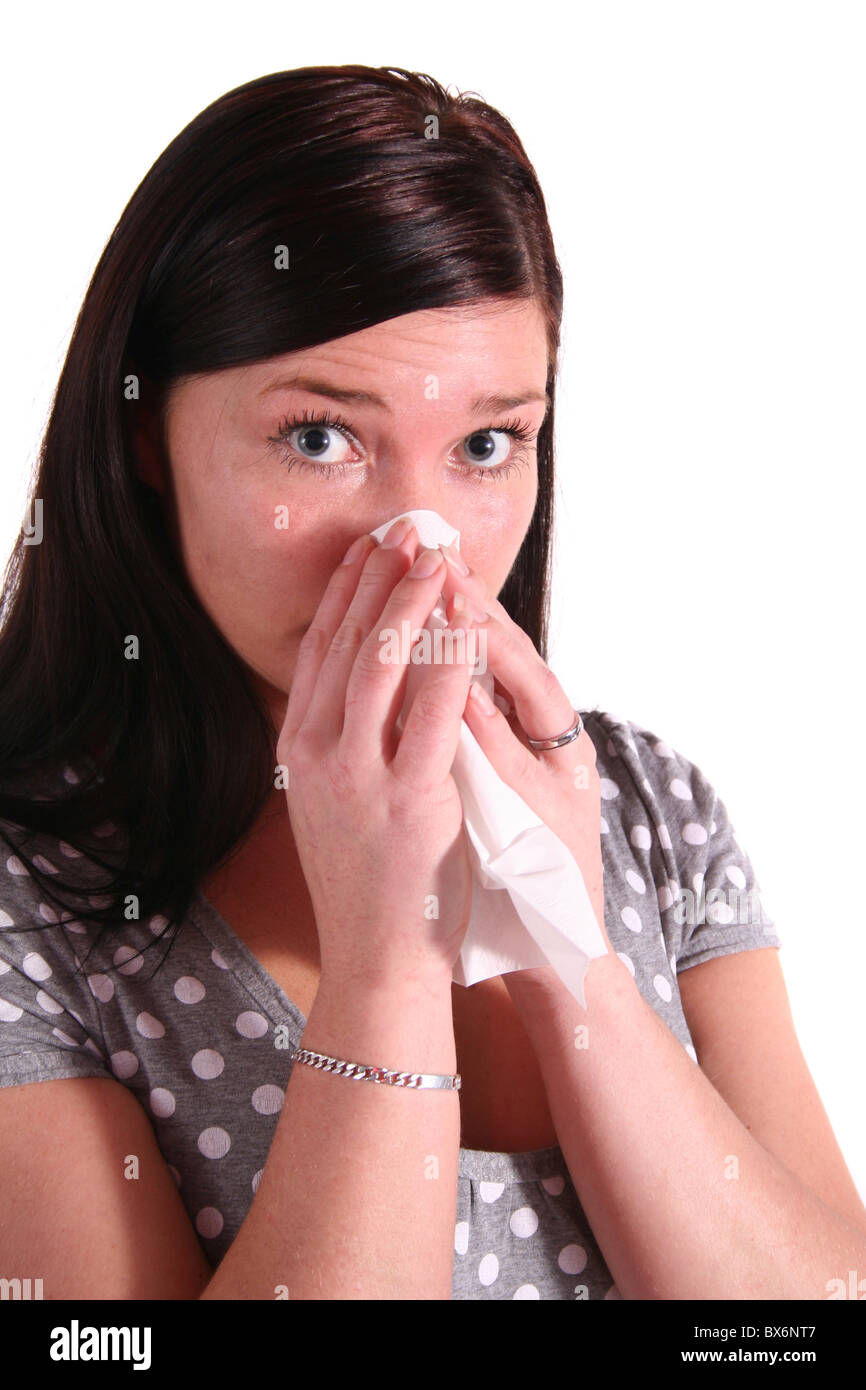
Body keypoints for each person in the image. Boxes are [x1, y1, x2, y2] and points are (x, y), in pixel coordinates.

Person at [1, 65, 864, 1303]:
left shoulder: (653, 812)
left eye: (483, 443)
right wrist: (387, 961)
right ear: (143, 429)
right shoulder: (31, 899)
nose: (418, 543)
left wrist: (563, 941)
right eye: (319, 436)